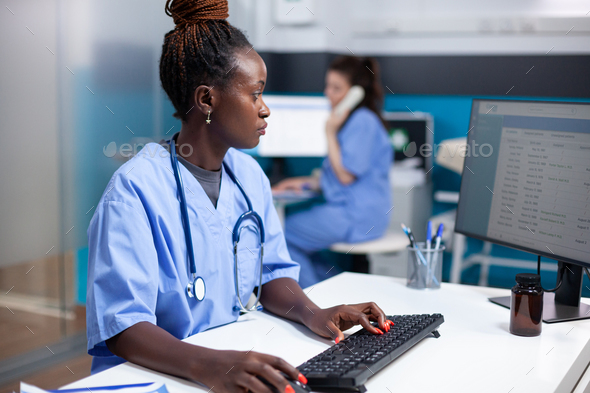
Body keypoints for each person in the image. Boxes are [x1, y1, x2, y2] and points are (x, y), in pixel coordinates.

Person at [86, 1, 391, 392]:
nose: (265, 110)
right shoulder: (134, 192)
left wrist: (316, 314)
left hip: (225, 357)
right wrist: (212, 366)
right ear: (207, 100)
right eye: (255, 94)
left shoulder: (249, 176)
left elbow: (272, 275)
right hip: (154, 376)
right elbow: (123, 327)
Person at [273, 56, 393, 289]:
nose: (328, 93)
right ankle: (334, 293)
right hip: (351, 211)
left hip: (355, 215)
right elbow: (338, 176)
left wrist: (329, 132)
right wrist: (305, 182)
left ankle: (312, 301)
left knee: (279, 235)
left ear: (355, 93)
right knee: (295, 243)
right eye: (328, 86)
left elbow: (345, 176)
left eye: (337, 88)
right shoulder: (353, 122)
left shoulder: (362, 121)